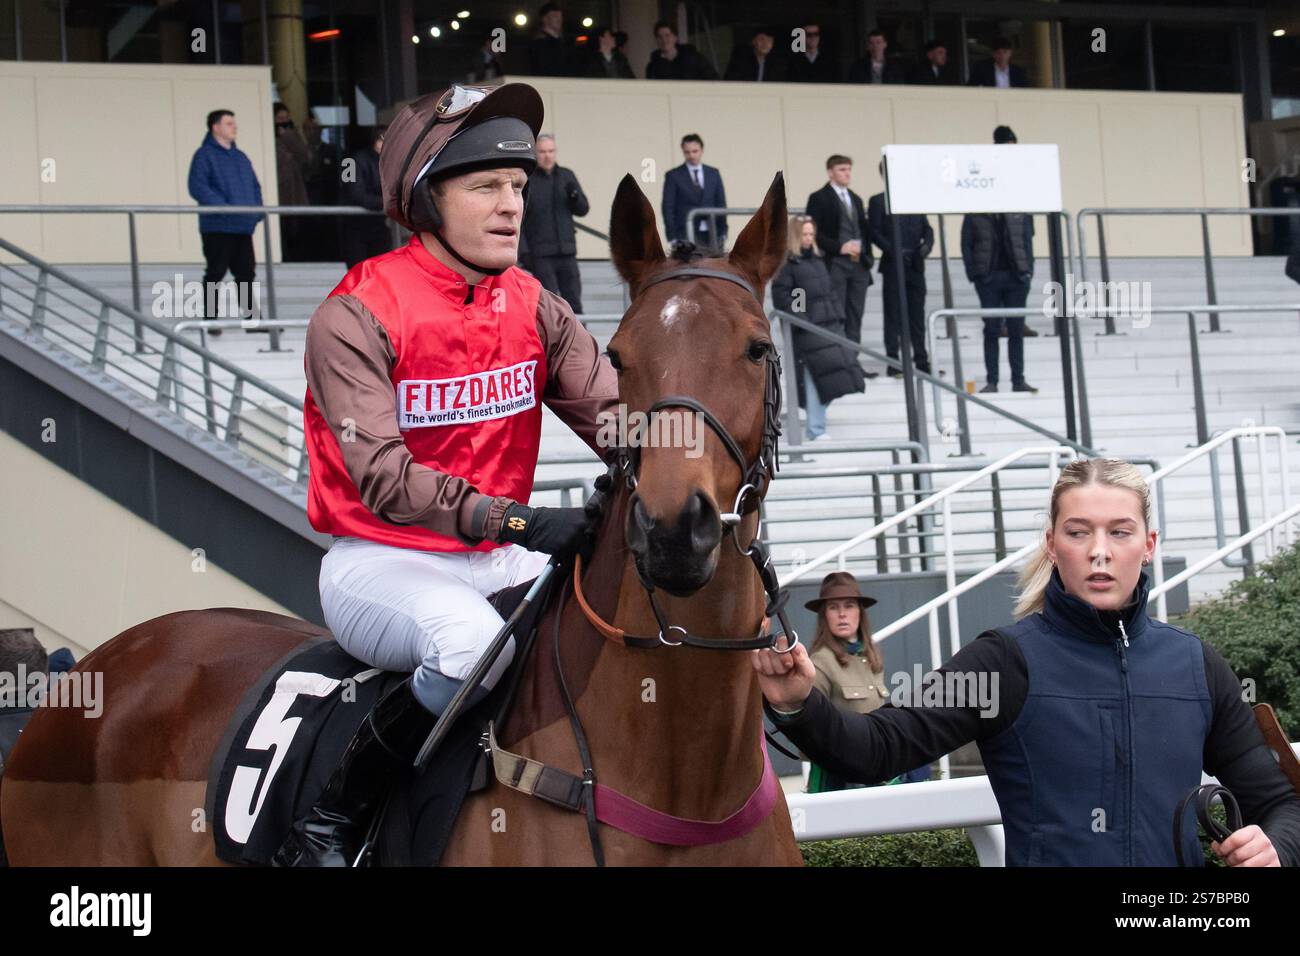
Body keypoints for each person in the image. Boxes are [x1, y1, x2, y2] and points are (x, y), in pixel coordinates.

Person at [281, 82, 619, 867]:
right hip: (383, 561)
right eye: (486, 187)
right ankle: (336, 812)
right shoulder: (354, 312)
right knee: (473, 650)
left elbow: (615, 416)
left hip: (503, 556)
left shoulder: (536, 303)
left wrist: (677, 454)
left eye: (519, 186)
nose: (512, 206)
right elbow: (387, 480)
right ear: (429, 200)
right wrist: (522, 521)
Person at [756, 457, 1300, 866]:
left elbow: (1282, 803)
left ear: (1150, 544)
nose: (1100, 551)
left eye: (1120, 531)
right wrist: (799, 704)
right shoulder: (1003, 661)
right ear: (1051, 543)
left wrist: (1274, 847)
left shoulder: (1196, 665)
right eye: (1079, 532)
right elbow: (877, 749)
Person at [800, 573, 930, 791]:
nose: (842, 614)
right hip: (844, 778)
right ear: (825, 616)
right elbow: (808, 733)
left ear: (860, 612)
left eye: (849, 606)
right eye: (833, 607)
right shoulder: (820, 662)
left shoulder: (870, 657)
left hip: (880, 769)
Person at [771, 215, 864, 443]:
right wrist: (804, 319)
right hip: (808, 331)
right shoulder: (789, 264)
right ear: (794, 236)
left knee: (845, 375)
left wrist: (837, 316)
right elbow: (788, 297)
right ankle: (816, 428)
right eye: (804, 234)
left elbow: (830, 292)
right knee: (817, 378)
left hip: (830, 326)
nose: (808, 238)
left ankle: (815, 422)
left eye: (811, 234)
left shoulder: (816, 259)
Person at [186, 109, 263, 336]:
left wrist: (257, 211)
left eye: (234, 123)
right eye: (229, 123)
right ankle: (210, 321)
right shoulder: (204, 155)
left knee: (246, 273)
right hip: (217, 226)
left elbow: (255, 187)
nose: (234, 127)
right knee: (215, 273)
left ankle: (252, 321)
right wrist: (225, 208)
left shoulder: (241, 157)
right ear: (215, 127)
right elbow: (198, 187)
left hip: (242, 226)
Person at [868, 160, 934, 376]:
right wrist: (894, 251)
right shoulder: (878, 201)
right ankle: (893, 361)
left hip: (915, 265)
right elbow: (875, 232)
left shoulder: (913, 199)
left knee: (917, 313)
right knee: (893, 314)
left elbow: (928, 230)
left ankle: (921, 359)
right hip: (893, 264)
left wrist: (923, 250)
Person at [806, 154, 873, 345]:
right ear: (830, 173)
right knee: (837, 313)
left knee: (856, 314)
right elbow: (814, 232)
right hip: (835, 264)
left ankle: (853, 362)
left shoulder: (856, 199)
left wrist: (868, 256)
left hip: (859, 266)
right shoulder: (818, 198)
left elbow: (863, 230)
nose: (847, 173)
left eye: (849, 169)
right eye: (842, 170)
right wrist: (839, 247)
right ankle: (840, 359)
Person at [522, 134, 589, 313]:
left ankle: (578, 340)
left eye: (551, 151)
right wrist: (524, 252)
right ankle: (552, 341)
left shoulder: (567, 176)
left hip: (567, 252)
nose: (547, 155)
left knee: (574, 301)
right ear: (536, 153)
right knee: (549, 305)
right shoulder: (528, 180)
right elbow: (519, 219)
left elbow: (583, 210)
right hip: (541, 254)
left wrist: (574, 195)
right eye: (542, 151)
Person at [662, 134, 728, 253]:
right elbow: (668, 207)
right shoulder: (673, 175)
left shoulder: (713, 173)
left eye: (695, 151)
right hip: (685, 233)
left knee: (713, 268)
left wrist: (723, 231)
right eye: (687, 152)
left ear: (702, 150)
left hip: (712, 232)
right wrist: (672, 236)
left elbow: (721, 203)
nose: (691, 155)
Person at [339, 126, 391, 269]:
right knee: (357, 273)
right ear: (373, 141)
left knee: (380, 272)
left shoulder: (391, 162)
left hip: (379, 226)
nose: (385, 145)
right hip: (356, 227)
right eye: (381, 140)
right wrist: (388, 202)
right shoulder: (350, 162)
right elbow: (356, 195)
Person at [273, 103, 311, 262]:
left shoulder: (293, 134)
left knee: (297, 231)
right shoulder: (269, 137)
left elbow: (305, 155)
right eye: (280, 118)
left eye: (286, 118)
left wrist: (288, 136)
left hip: (296, 191)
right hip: (279, 192)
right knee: (281, 231)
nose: (283, 121)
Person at [646, 21, 718, 80]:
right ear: (656, 40)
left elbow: (713, 79)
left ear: (675, 38)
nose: (664, 40)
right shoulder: (652, 68)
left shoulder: (693, 58)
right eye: (659, 37)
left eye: (667, 35)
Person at [528, 3, 572, 76]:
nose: (559, 19)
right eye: (555, 16)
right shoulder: (539, 43)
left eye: (561, 16)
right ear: (544, 19)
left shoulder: (565, 42)